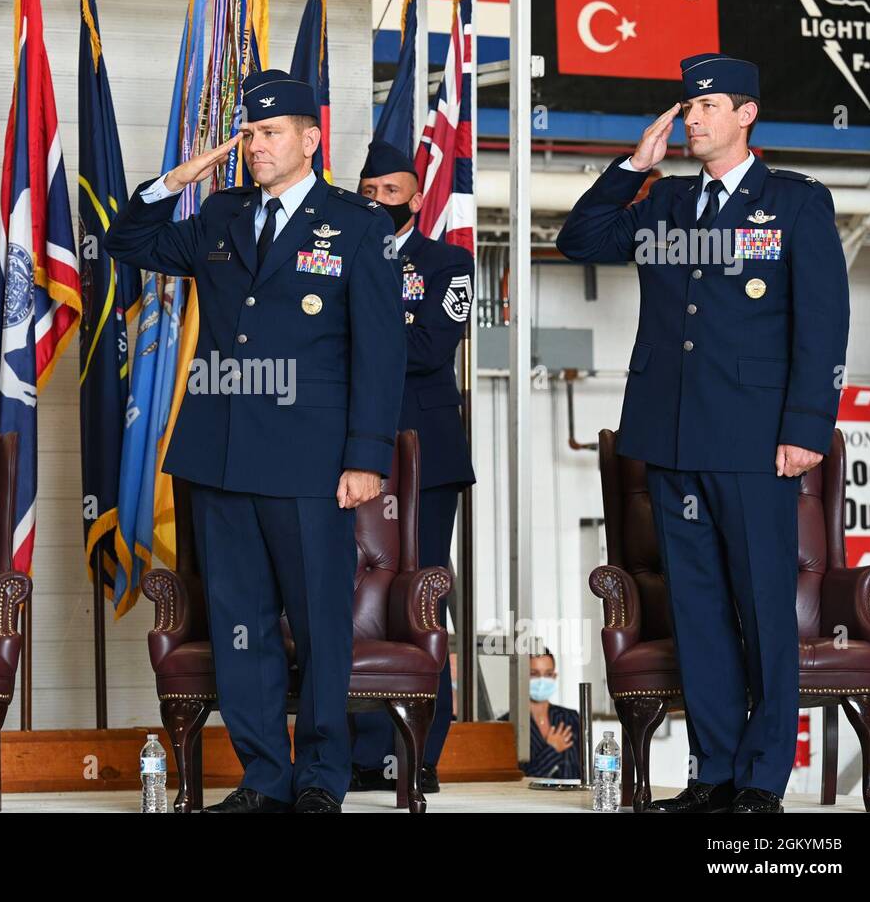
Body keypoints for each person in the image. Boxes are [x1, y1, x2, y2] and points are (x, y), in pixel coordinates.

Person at [105, 69, 405, 812]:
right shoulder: (220, 217)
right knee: (241, 628)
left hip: (310, 461)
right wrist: (178, 177)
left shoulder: (357, 225)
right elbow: (127, 240)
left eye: (270, 133)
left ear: (311, 139)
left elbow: (380, 352)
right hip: (221, 452)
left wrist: (367, 458)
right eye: (247, 134)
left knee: (319, 625)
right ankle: (264, 777)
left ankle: (321, 779)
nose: (256, 147)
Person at [557, 53, 849, 813]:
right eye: (688, 107)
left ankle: (759, 779)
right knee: (698, 610)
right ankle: (714, 770)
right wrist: (631, 168)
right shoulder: (663, 204)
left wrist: (808, 426)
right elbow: (580, 241)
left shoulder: (794, 203)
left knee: (762, 609)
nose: (694, 118)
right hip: (671, 434)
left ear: (746, 115)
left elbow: (822, 323)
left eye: (710, 106)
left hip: (756, 439)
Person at [348, 140, 475, 794]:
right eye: (367, 195)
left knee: (421, 595)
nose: (377, 206)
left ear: (417, 198)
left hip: (427, 458)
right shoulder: (336, 259)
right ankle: (363, 754)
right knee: (356, 598)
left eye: (390, 194)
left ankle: (420, 750)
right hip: (351, 454)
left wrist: (363, 329)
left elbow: (429, 347)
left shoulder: (449, 263)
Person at [498, 650, 582, 780]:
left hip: (572, 798)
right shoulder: (506, 724)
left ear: (554, 677)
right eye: (534, 674)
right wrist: (552, 750)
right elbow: (518, 779)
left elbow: (582, 770)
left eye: (548, 674)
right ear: (522, 676)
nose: (542, 681)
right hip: (530, 799)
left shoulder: (570, 718)